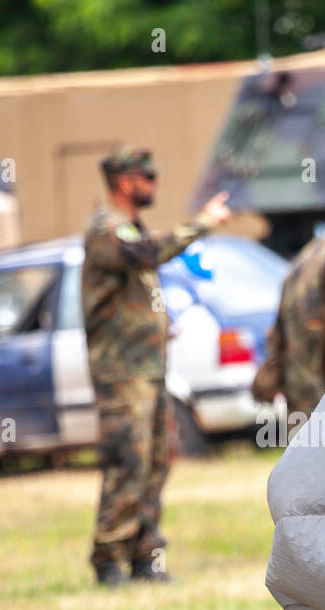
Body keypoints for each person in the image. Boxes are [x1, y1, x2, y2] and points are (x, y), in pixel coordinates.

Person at [81, 147, 231, 586]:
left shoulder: (126, 227)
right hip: (122, 374)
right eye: (147, 176)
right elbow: (151, 252)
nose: (153, 183)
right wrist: (202, 222)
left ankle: (145, 555)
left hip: (148, 369)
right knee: (128, 462)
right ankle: (108, 557)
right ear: (125, 181)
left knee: (156, 461)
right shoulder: (106, 229)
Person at [251, 225, 325, 422]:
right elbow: (303, 375)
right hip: (303, 352)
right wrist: (324, 421)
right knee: (311, 425)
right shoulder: (305, 301)